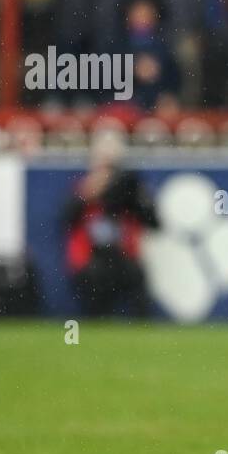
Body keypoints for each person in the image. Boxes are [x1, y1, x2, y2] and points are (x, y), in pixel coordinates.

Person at [63, 136, 159, 318]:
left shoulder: (127, 193)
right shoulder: (82, 190)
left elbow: (153, 222)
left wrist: (137, 197)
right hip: (91, 257)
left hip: (122, 255)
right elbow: (66, 219)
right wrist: (87, 194)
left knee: (135, 276)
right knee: (95, 279)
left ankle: (142, 328)